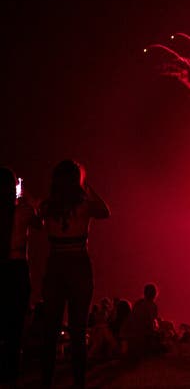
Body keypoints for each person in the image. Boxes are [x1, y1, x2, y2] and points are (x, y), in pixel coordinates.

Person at [39, 159, 110, 388]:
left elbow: (36, 219)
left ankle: (46, 381)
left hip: (56, 263)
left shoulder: (48, 206)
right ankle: (79, 381)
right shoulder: (84, 205)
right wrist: (87, 187)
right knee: (78, 330)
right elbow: (105, 211)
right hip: (78, 263)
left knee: (51, 329)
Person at [0, 167, 41, 386]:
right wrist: (28, 200)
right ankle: (12, 372)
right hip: (16, 268)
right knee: (15, 325)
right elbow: (40, 224)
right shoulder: (23, 210)